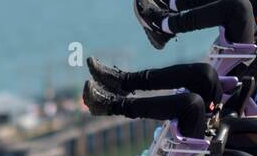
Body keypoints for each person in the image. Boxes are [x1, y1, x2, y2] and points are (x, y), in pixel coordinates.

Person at [82, 56, 223, 141]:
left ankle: (111, 105)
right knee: (206, 74)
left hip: (213, 146)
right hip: (221, 118)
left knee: (192, 104)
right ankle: (123, 81)